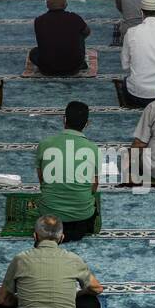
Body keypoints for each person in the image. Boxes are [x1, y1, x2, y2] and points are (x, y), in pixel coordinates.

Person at [0, 215, 104, 308]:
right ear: (61, 238)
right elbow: (97, 288)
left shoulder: (20, 259)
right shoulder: (73, 259)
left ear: (35, 236)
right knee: (92, 301)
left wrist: (24, 300)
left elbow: (3, 300)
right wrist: (75, 295)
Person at [37, 101, 100, 242]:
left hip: (49, 216)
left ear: (64, 119)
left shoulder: (45, 144)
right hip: (82, 217)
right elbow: (93, 187)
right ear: (87, 124)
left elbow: (42, 179)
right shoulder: (93, 149)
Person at [30, 0, 90, 75]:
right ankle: (79, 61)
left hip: (47, 68)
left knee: (33, 52)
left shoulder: (39, 20)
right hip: (73, 67)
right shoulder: (75, 18)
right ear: (65, 5)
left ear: (47, 4)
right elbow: (87, 32)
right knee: (80, 35)